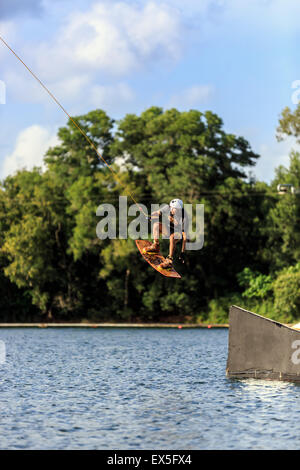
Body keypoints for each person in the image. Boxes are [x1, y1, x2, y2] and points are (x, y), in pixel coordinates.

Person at [144, 199, 188, 269]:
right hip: (168, 229)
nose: (174, 211)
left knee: (172, 237)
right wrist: (150, 216)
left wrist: (183, 252)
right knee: (156, 225)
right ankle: (156, 246)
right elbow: (157, 213)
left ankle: (169, 261)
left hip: (177, 233)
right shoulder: (167, 208)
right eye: (173, 209)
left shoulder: (184, 216)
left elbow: (185, 236)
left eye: (176, 209)